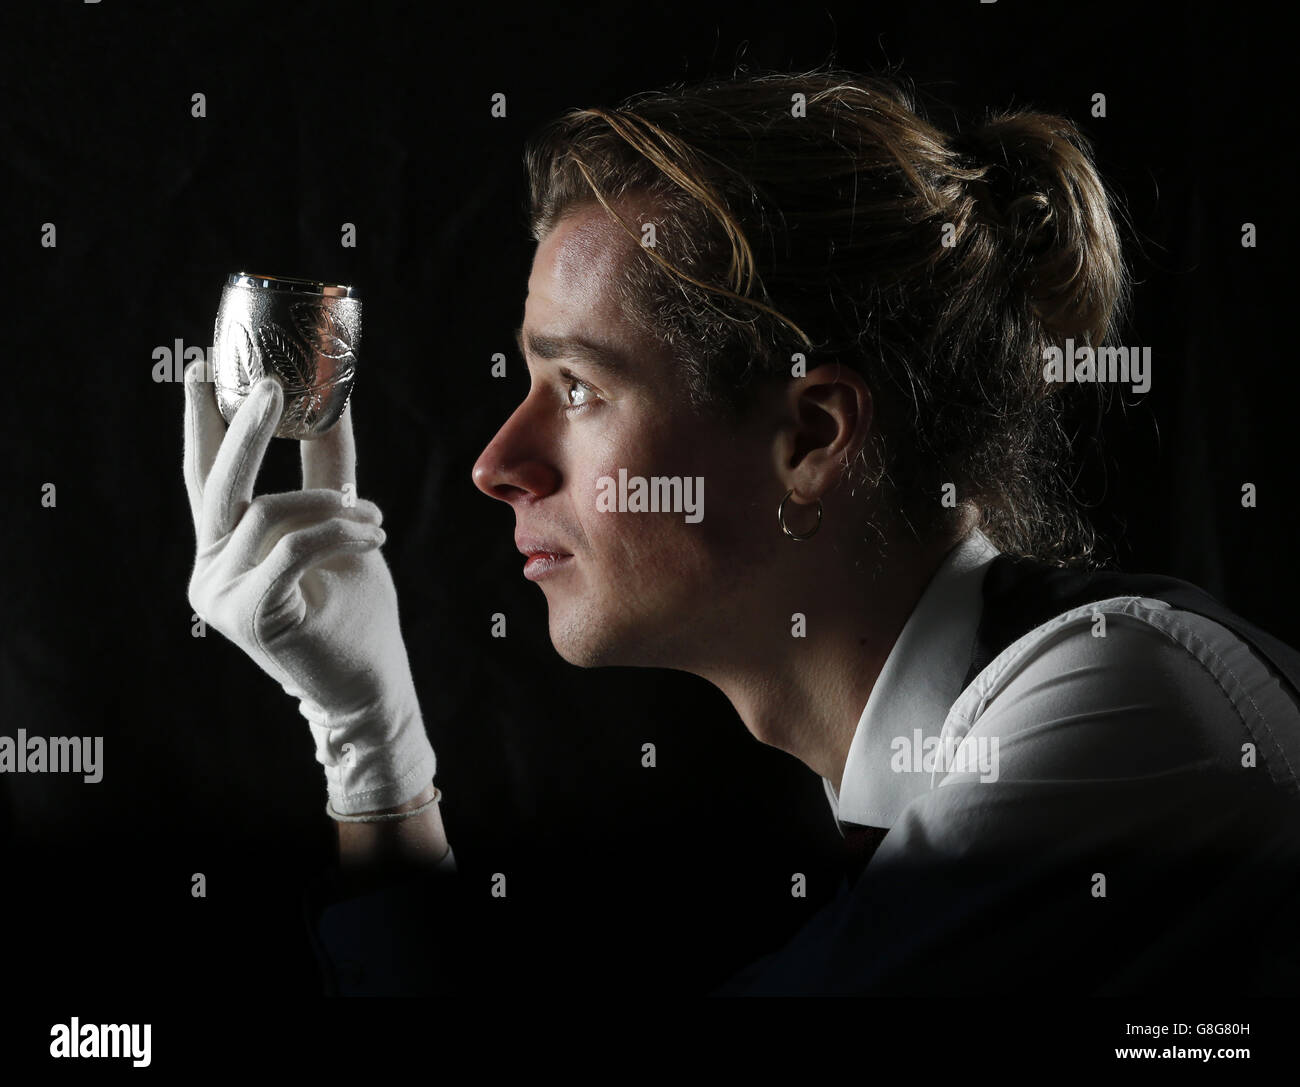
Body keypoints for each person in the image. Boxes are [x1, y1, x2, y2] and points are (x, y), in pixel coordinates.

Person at [182, 67, 1300, 995]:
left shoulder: (1126, 716)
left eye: (577, 387)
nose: (495, 464)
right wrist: (367, 740)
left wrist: (378, 765)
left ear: (810, 438)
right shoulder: (947, 767)